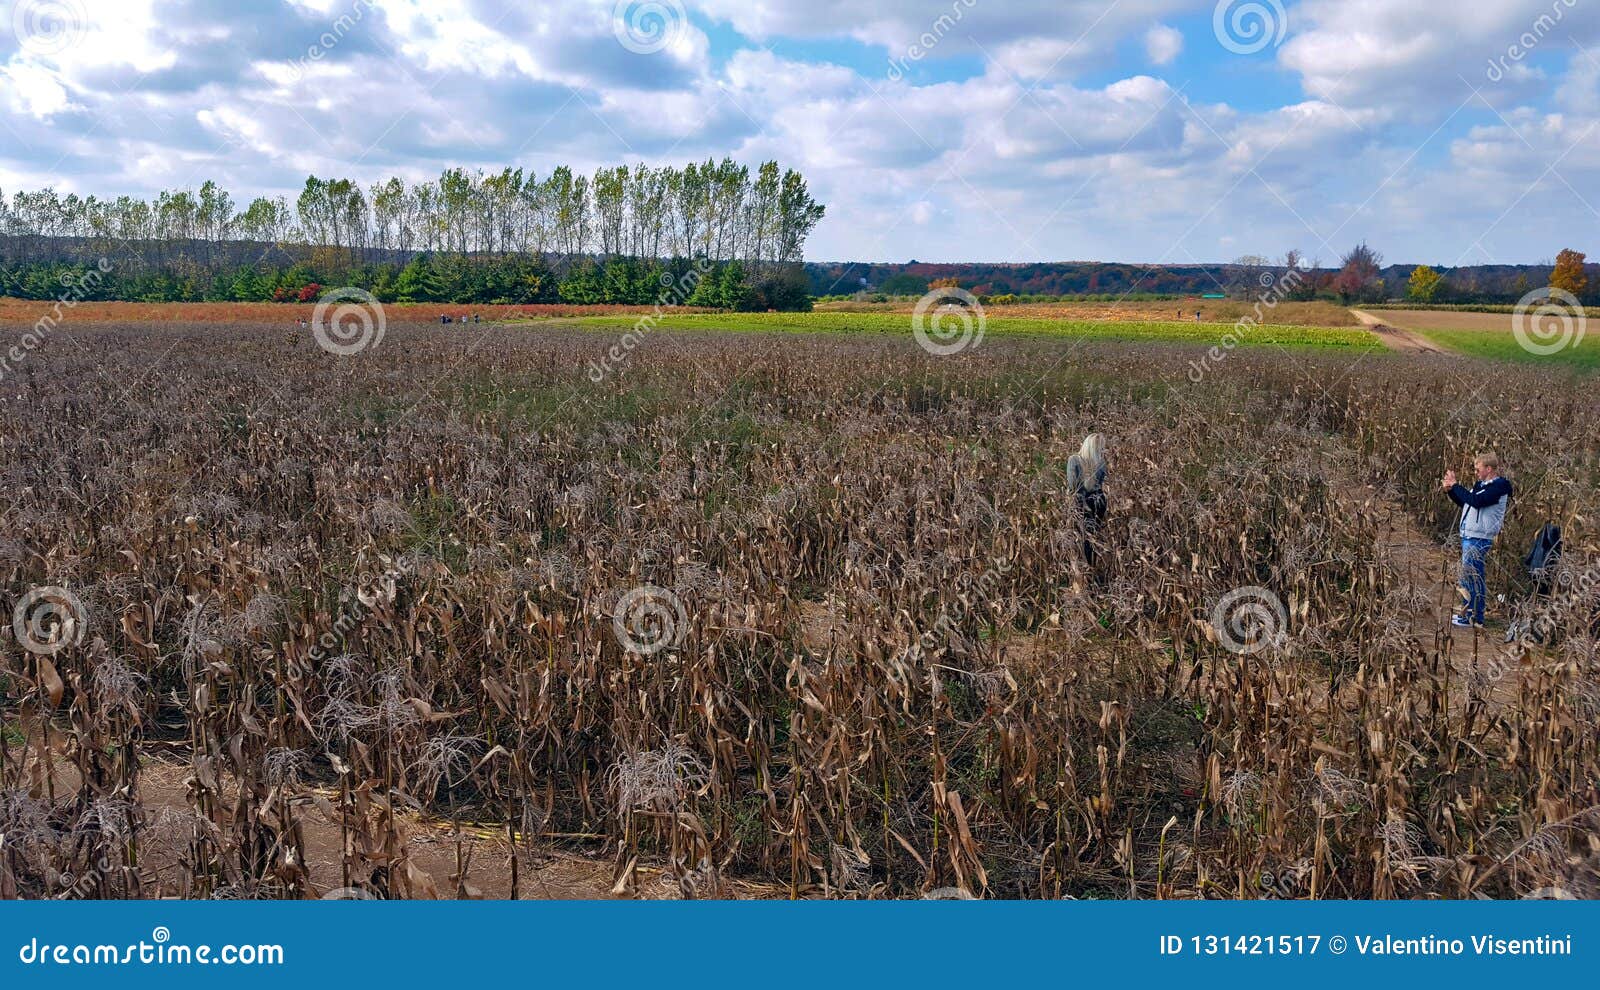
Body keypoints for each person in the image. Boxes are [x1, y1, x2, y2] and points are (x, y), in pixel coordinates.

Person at [1442, 452, 1513, 628]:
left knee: (1471, 578)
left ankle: (1472, 617)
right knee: (1472, 577)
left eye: (1478, 469)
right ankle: (1471, 615)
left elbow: (1477, 501)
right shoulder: (1481, 485)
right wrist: (1451, 491)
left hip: (1479, 538)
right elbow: (1467, 503)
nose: (1475, 472)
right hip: (1470, 535)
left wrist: (1456, 485)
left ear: (1488, 469)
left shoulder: (1499, 487)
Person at [1066, 433, 1108, 566]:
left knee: (1083, 538)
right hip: (1098, 501)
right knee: (1093, 536)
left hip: (1082, 503)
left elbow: (1073, 487)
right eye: (1101, 448)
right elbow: (1101, 484)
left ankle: (1085, 568)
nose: (1102, 450)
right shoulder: (1101, 463)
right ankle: (1092, 567)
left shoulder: (1074, 460)